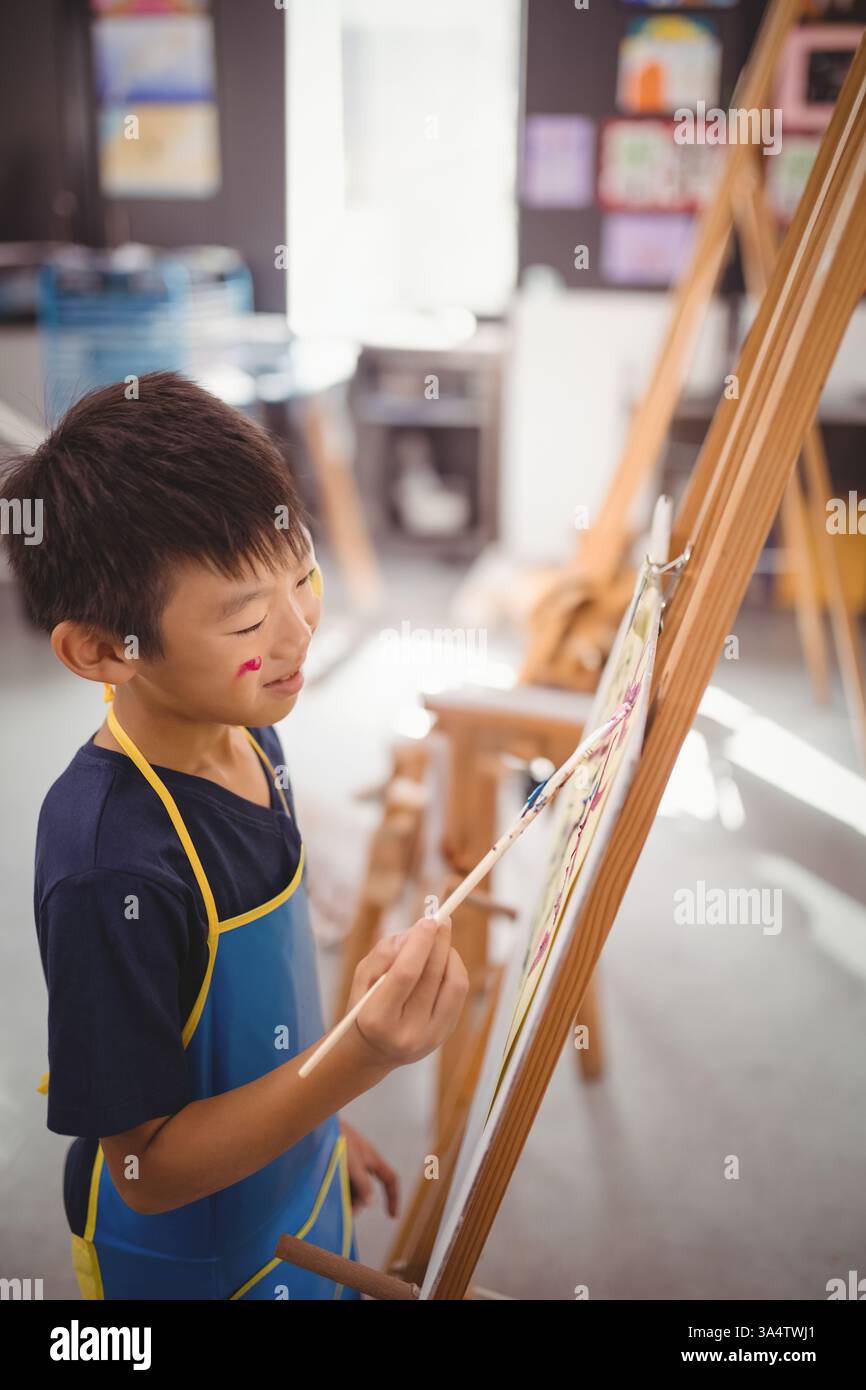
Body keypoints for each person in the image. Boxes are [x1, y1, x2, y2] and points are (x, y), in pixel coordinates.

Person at [1, 371, 468, 1300]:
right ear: (102, 650)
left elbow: (254, 1043)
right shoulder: (108, 863)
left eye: (305, 577)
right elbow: (146, 1171)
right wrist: (357, 1060)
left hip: (293, 1199)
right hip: (186, 1270)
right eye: (250, 617)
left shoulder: (252, 727)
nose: (299, 633)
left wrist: (319, 1125)